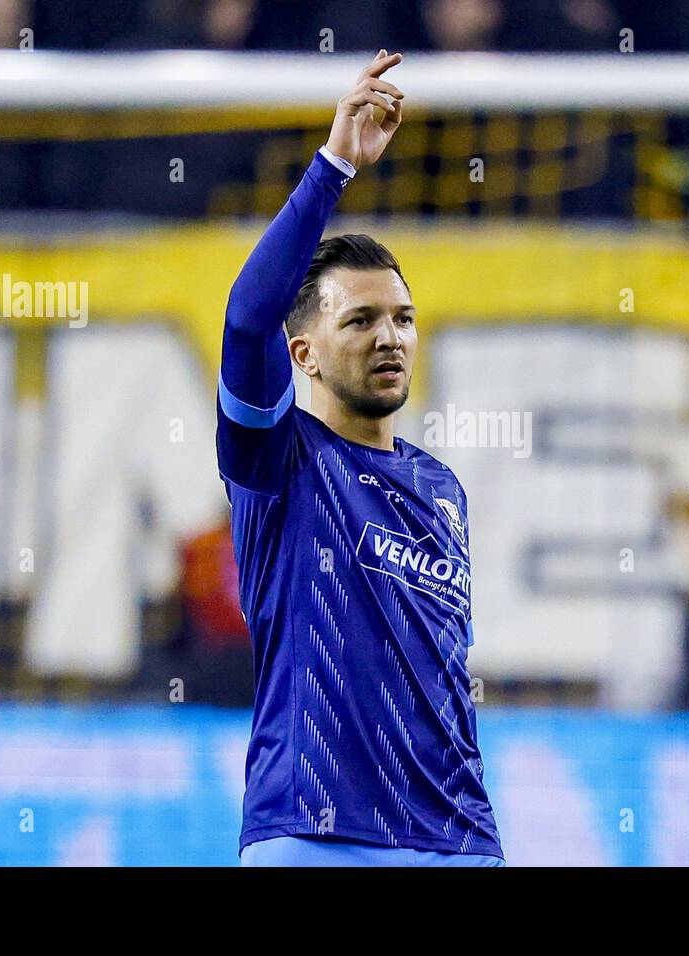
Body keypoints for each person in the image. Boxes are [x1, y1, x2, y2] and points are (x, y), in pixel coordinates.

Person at [219, 50, 505, 866]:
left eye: (405, 318)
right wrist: (334, 165)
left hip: (456, 840)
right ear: (303, 353)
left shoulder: (441, 486)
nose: (391, 336)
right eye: (361, 320)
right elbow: (246, 322)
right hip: (314, 834)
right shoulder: (278, 457)